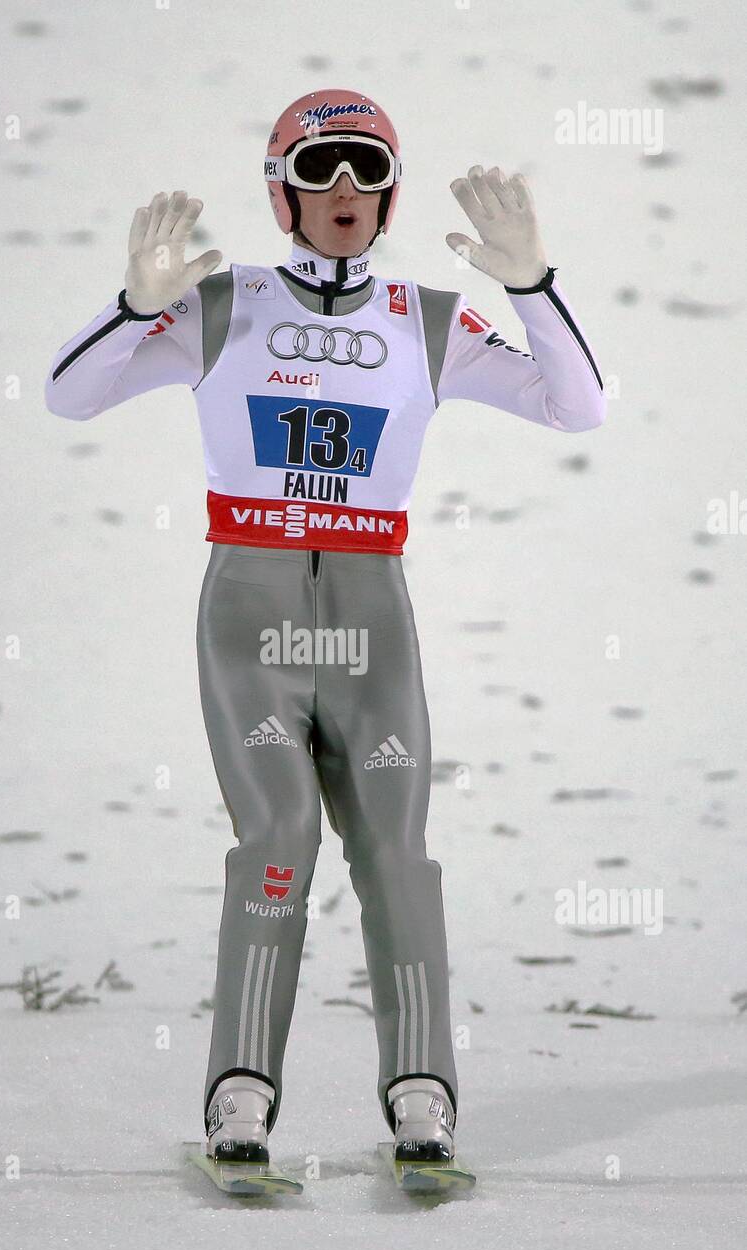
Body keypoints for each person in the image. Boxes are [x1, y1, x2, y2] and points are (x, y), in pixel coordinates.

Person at [46, 89, 605, 1167]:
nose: (342, 190)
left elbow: (574, 405)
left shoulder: (425, 318)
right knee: (277, 838)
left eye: (361, 167)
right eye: (318, 171)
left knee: (396, 851)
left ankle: (420, 1088)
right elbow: (69, 398)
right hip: (249, 603)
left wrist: (533, 286)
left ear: (389, 191)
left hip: (367, 611)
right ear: (280, 193)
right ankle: (241, 1086)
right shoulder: (222, 302)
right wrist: (129, 305)